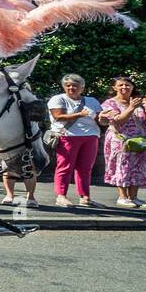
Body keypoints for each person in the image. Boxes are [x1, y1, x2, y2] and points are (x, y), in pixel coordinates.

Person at [100, 76, 146, 208]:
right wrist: (131, 107)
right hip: (121, 140)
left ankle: (134, 197)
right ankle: (122, 197)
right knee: (122, 167)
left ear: (132, 87)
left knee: (138, 167)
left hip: (141, 141)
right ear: (114, 87)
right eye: (120, 85)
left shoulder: (138, 102)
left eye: (127, 85)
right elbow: (118, 120)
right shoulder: (109, 104)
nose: (124, 87)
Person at [48, 73, 103, 207]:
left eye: (75, 85)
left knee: (85, 168)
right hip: (68, 136)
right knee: (65, 167)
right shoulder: (58, 99)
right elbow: (58, 116)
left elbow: (100, 119)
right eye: (68, 85)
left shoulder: (92, 101)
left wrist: (106, 117)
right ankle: (61, 196)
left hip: (90, 136)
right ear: (64, 87)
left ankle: (85, 197)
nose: (71, 88)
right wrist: (80, 114)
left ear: (82, 88)